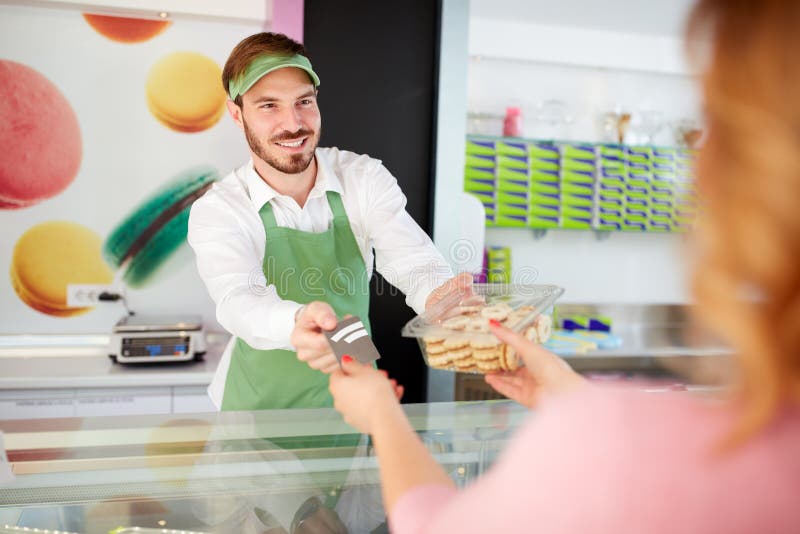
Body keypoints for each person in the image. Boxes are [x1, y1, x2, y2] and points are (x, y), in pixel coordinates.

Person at [329, 0, 800, 531]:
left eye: (716, 120)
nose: (701, 158)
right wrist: (574, 397)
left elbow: (439, 524)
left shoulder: (361, 176)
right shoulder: (231, 206)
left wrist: (381, 416)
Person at [188, 32, 466, 411]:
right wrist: (299, 321)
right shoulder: (221, 208)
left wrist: (441, 299)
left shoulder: (362, 178)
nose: (294, 123)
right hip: (257, 410)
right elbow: (239, 299)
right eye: (269, 105)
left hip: (355, 390)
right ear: (237, 114)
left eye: (304, 101)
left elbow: (413, 261)